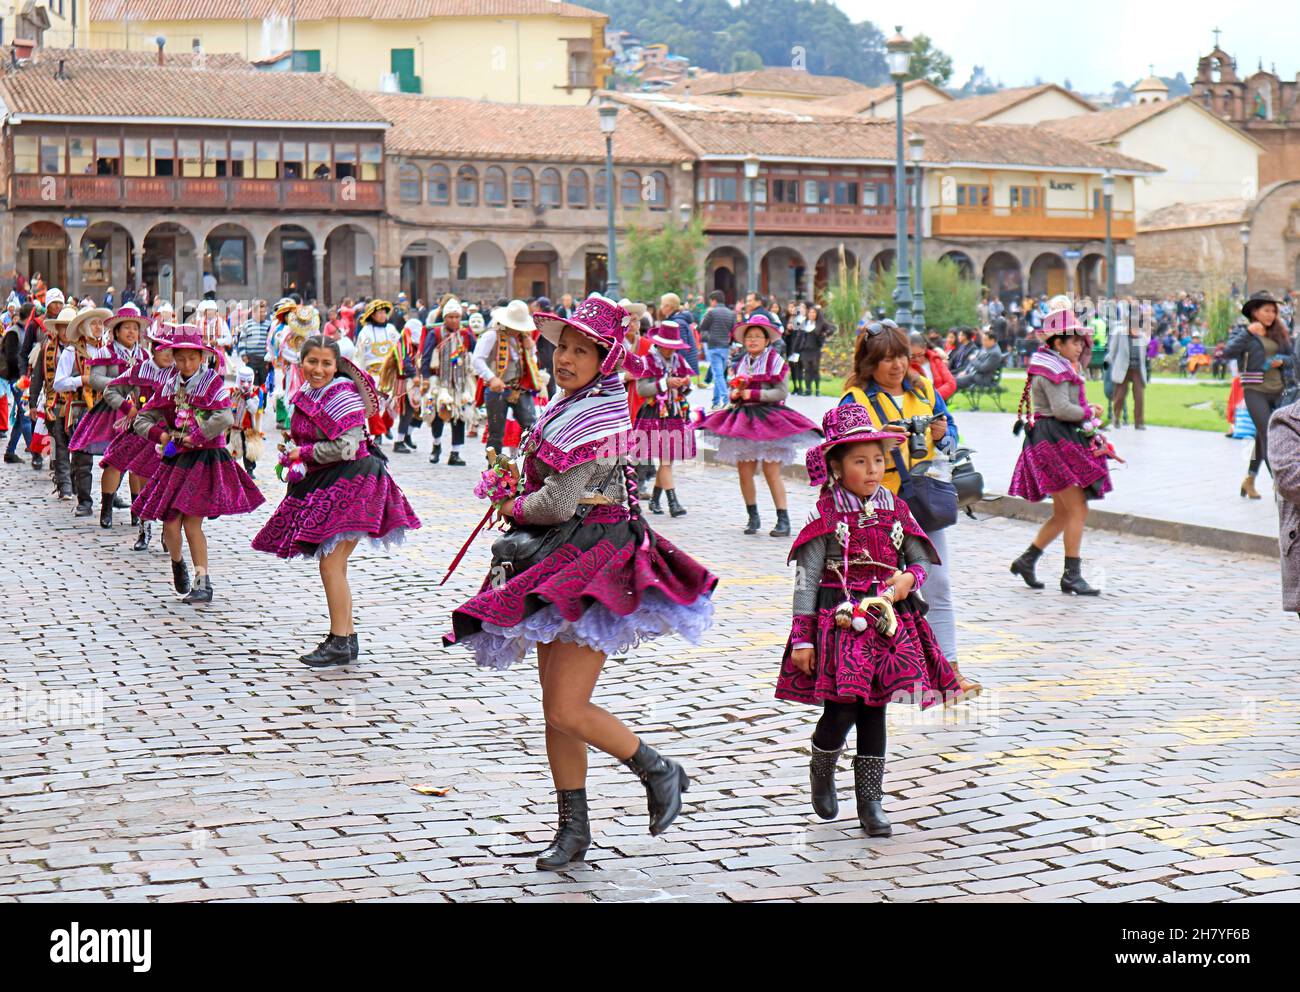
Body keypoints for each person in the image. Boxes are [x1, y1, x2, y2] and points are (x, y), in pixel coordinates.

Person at [444, 295, 716, 871]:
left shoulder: (602, 416)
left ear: (604, 358)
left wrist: (511, 501)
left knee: (568, 708)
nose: (564, 358)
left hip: (592, 557)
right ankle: (573, 828)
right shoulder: (570, 403)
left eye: (579, 350)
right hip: (565, 554)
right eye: (562, 347)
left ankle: (657, 768)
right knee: (555, 708)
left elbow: (559, 501)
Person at [775, 404, 962, 836]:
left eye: (878, 459)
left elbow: (920, 561)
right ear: (836, 467)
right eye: (860, 461)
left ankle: (871, 802)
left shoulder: (895, 508)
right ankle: (823, 762)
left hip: (887, 622)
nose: (873, 469)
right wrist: (802, 639)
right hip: (837, 621)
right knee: (842, 708)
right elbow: (805, 583)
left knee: (875, 707)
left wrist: (905, 580)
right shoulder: (823, 516)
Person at [253, 335, 421, 666]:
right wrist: (294, 453)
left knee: (330, 562)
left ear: (337, 364)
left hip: (356, 480)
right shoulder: (305, 393)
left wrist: (303, 452)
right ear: (300, 363)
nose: (318, 369)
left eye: (326, 363)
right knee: (333, 564)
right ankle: (344, 637)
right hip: (332, 479)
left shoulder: (342, 395)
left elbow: (348, 447)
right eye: (312, 362)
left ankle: (341, 640)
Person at [838, 320, 980, 697]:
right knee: (876, 590)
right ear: (869, 363)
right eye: (886, 359)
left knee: (939, 583)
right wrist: (882, 442)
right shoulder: (855, 401)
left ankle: (950, 672)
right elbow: (841, 452)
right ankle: (870, 675)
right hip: (876, 509)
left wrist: (941, 434)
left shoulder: (924, 390)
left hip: (925, 501)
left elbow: (952, 439)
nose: (897, 366)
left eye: (901, 356)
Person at [132, 325, 265, 604]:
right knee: (169, 525)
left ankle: (202, 581)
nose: (187, 364)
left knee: (192, 523)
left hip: (204, 460)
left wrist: (197, 434)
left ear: (202, 357)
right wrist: (163, 435)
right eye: (181, 358)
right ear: (174, 356)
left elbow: (225, 418)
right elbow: (142, 419)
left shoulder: (213, 383)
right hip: (176, 460)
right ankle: (177, 562)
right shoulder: (168, 385)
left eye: (193, 358)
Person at [1008, 302, 1115, 596]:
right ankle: (1071, 575)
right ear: (1057, 342)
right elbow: (1062, 409)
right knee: (1077, 508)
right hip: (1053, 441)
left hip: (1053, 438)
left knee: (1063, 512)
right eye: (1074, 340)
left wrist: (1084, 411)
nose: (1080, 346)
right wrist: (1088, 412)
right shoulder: (1051, 369)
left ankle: (1027, 560)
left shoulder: (1054, 365)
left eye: (1082, 340)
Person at [695, 313, 821, 538]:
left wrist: (751, 392)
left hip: (770, 419)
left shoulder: (775, 361)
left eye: (757, 336)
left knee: (772, 470)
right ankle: (753, 516)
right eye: (749, 336)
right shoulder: (740, 362)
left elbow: (781, 392)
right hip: (744, 420)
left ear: (767, 340)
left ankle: (783, 519)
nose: (752, 340)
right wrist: (735, 395)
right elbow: (735, 392)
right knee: (745, 470)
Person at [97, 322, 177, 551]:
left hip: (170, 437)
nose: (169, 354)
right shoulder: (141, 369)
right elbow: (111, 389)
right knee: (143, 482)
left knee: (168, 485)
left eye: (173, 349)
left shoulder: (179, 373)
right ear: (153, 347)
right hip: (144, 433)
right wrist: (128, 409)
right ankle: (144, 530)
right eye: (163, 348)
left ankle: (167, 532)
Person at [69, 305, 148, 527]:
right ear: (116, 331)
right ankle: (106, 509)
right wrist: (122, 383)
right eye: (127, 328)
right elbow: (94, 378)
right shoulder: (106, 352)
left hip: (140, 414)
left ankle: (137, 511)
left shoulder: (144, 355)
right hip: (114, 413)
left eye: (135, 328)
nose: (132, 332)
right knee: (115, 462)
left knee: (138, 464)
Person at [1224, 291, 1294, 500]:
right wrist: (1248, 333)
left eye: (1274, 311)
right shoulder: (1243, 332)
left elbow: (1292, 357)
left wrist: (1282, 361)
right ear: (1255, 311)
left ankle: (1250, 479)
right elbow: (1227, 353)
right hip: (1255, 391)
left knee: (1262, 438)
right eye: (1266, 310)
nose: (1271, 315)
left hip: (1278, 390)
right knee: (1270, 436)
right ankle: (1281, 485)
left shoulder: (1279, 332)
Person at [52, 306, 114, 517]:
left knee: (115, 456)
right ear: (85, 327)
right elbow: (58, 383)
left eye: (100, 324)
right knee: (82, 458)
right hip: (80, 409)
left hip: (106, 409)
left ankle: (111, 495)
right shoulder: (71, 352)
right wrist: (82, 380)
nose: (98, 328)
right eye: (93, 324)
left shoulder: (108, 350)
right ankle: (85, 501)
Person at [634, 320, 696, 517]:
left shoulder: (679, 361)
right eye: (667, 347)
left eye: (673, 347)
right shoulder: (647, 361)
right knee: (665, 460)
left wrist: (684, 384)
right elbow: (642, 389)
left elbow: (686, 389)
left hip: (674, 413)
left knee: (667, 460)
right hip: (654, 414)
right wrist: (665, 383)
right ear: (659, 343)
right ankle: (673, 502)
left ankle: (654, 500)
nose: (670, 351)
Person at [472, 299, 544, 456]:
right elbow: (477, 359)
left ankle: (528, 466)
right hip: (497, 391)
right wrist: (491, 378)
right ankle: (493, 471)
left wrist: (531, 349)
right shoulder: (492, 335)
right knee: (496, 433)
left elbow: (532, 362)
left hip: (520, 389)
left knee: (531, 427)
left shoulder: (523, 338)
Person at [420, 298, 477, 466]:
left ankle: (455, 452)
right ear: (444, 318)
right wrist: (425, 378)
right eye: (450, 317)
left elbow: (477, 351)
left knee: (459, 416)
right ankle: (436, 446)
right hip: (439, 383)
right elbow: (426, 357)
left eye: (456, 317)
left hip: (460, 383)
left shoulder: (466, 335)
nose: (454, 320)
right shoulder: (435, 334)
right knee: (438, 414)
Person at [383, 315, 424, 453]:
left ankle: (407, 435)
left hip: (416, 382)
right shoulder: (403, 343)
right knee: (407, 411)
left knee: (420, 411)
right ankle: (399, 441)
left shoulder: (411, 342)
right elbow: (404, 362)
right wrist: (413, 374)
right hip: (405, 382)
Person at [1106, 313, 1150, 430]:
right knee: (1120, 396)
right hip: (1123, 368)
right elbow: (1112, 350)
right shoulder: (1120, 334)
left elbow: (1143, 355)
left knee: (1139, 396)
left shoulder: (1141, 337)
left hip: (1137, 369)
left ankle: (1139, 422)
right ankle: (1116, 417)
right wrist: (1109, 362)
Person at [698, 291, 736, 410]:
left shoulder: (711, 313)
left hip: (713, 346)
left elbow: (702, 327)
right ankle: (715, 403)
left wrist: (708, 337)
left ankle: (725, 400)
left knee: (718, 375)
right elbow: (733, 330)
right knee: (720, 375)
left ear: (714, 300)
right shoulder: (731, 314)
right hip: (725, 347)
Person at [909, 330, 957, 401]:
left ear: (925, 348)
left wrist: (933, 397)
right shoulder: (907, 366)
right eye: (912, 356)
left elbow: (951, 383)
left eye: (920, 354)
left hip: (939, 403)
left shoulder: (935, 359)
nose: (917, 359)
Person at [235, 299, 272, 386]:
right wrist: (243, 355)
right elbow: (242, 340)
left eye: (264, 312)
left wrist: (270, 358)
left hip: (264, 360)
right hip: (250, 359)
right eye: (260, 312)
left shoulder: (269, 325)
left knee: (264, 383)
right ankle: (252, 399)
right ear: (254, 312)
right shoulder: (247, 324)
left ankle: (264, 399)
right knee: (252, 383)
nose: (263, 314)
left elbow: (271, 342)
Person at [954, 328, 1004, 392]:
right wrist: (965, 371)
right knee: (950, 379)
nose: (983, 342)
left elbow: (982, 368)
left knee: (952, 382)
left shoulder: (995, 354)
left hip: (981, 379)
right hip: (973, 374)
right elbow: (975, 361)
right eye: (982, 340)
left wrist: (973, 359)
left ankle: (942, 400)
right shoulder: (985, 348)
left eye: (985, 340)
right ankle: (943, 400)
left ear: (993, 341)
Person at [800, 306, 831, 397]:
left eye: (814, 312)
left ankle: (817, 389)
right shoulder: (804, 323)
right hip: (805, 350)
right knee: (806, 369)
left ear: (817, 314)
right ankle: (808, 389)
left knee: (815, 369)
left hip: (815, 349)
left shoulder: (820, 324)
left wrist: (824, 334)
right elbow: (799, 336)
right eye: (810, 312)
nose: (811, 314)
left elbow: (832, 329)